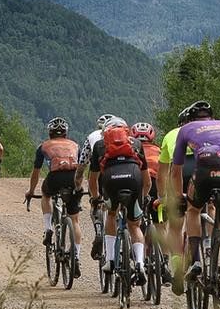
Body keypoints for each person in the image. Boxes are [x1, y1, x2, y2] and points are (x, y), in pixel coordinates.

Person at [171, 101, 220, 296]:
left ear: (191, 118)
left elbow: (176, 171)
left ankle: (195, 261)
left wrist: (179, 197)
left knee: (193, 211)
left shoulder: (186, 129)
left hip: (205, 169)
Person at [89, 117, 151, 284]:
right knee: (134, 225)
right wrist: (143, 198)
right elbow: (147, 179)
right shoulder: (136, 143)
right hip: (134, 178)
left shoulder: (100, 145)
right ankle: (139, 263)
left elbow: (93, 179)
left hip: (111, 179)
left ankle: (109, 260)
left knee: (111, 214)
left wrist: (95, 199)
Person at [25, 117, 84, 278]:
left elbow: (36, 172)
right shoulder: (75, 145)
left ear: (50, 132)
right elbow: (82, 165)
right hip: (73, 177)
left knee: (46, 195)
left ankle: (48, 228)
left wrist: (30, 191)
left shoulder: (43, 146)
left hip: (55, 177)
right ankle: (76, 257)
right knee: (75, 220)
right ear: (66, 133)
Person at [158, 107, 195, 291]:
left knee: (175, 228)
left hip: (180, 170)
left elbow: (163, 172)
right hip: (201, 166)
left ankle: (178, 268)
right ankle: (206, 246)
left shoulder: (171, 135)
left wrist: (162, 197)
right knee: (204, 210)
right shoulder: (202, 131)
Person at [131, 121, 171, 284]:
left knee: (136, 223)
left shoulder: (133, 149)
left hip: (139, 184)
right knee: (161, 225)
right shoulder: (159, 150)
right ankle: (165, 265)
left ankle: (141, 256)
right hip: (157, 186)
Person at [82, 113, 114, 259]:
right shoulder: (121, 138)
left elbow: (83, 161)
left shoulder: (92, 136)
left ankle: (99, 230)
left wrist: (77, 182)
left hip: (98, 174)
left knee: (96, 203)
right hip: (118, 171)